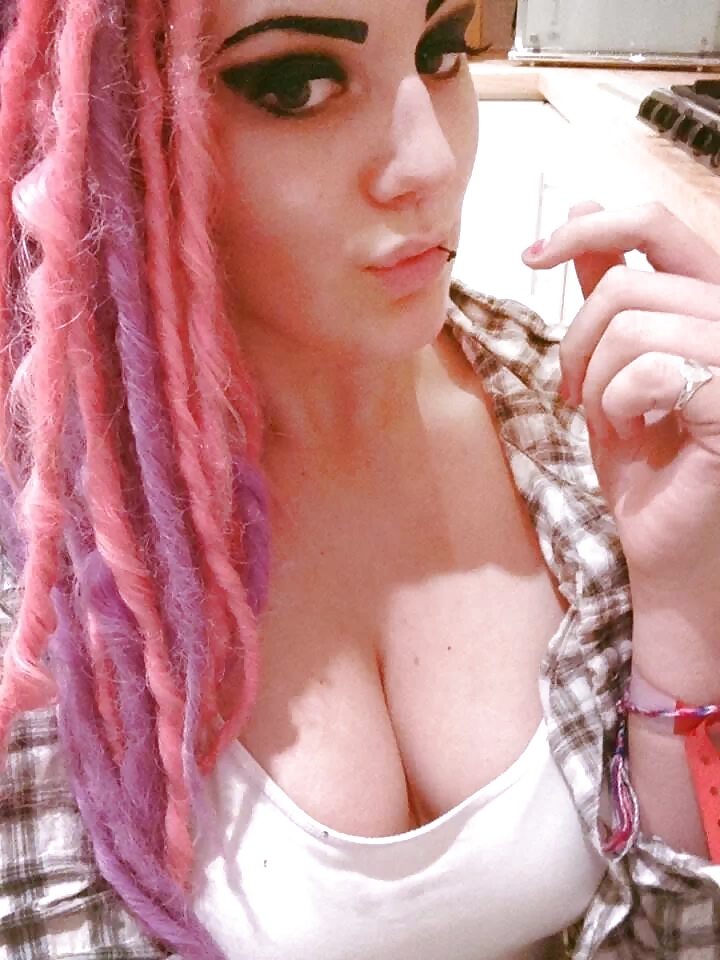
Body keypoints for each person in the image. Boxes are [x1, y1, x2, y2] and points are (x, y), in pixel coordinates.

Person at [1, 0, 720, 957]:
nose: (431, 162)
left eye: (440, 48)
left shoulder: (573, 417)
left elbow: (675, 930)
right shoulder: (44, 569)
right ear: (109, 128)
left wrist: (686, 594)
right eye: (297, 84)